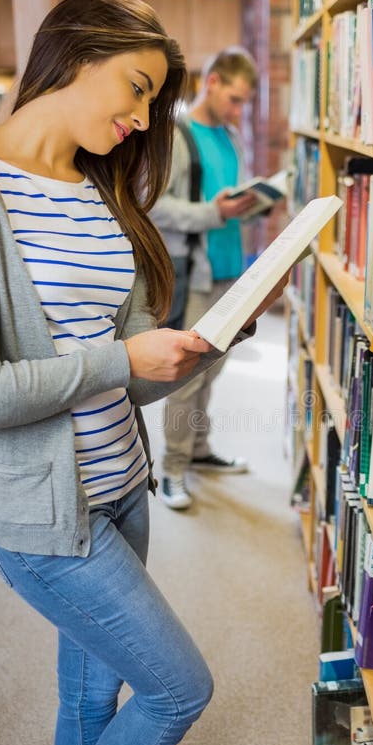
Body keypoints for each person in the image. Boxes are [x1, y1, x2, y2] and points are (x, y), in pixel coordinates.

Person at [0, 0, 286, 745]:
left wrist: (207, 342)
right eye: (137, 88)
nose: (143, 119)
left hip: (121, 488)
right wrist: (124, 361)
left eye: (155, 101)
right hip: (42, 518)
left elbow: (132, 374)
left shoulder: (100, 191)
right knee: (180, 688)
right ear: (72, 54)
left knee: (89, 694)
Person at [149, 47, 260, 511]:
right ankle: (172, 469)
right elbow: (154, 207)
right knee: (188, 375)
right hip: (196, 273)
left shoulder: (231, 137)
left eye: (243, 104)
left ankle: (197, 450)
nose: (238, 111)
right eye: (234, 99)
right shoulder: (176, 135)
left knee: (214, 370)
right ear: (211, 81)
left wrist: (256, 202)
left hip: (232, 270)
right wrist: (215, 212)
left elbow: (229, 194)